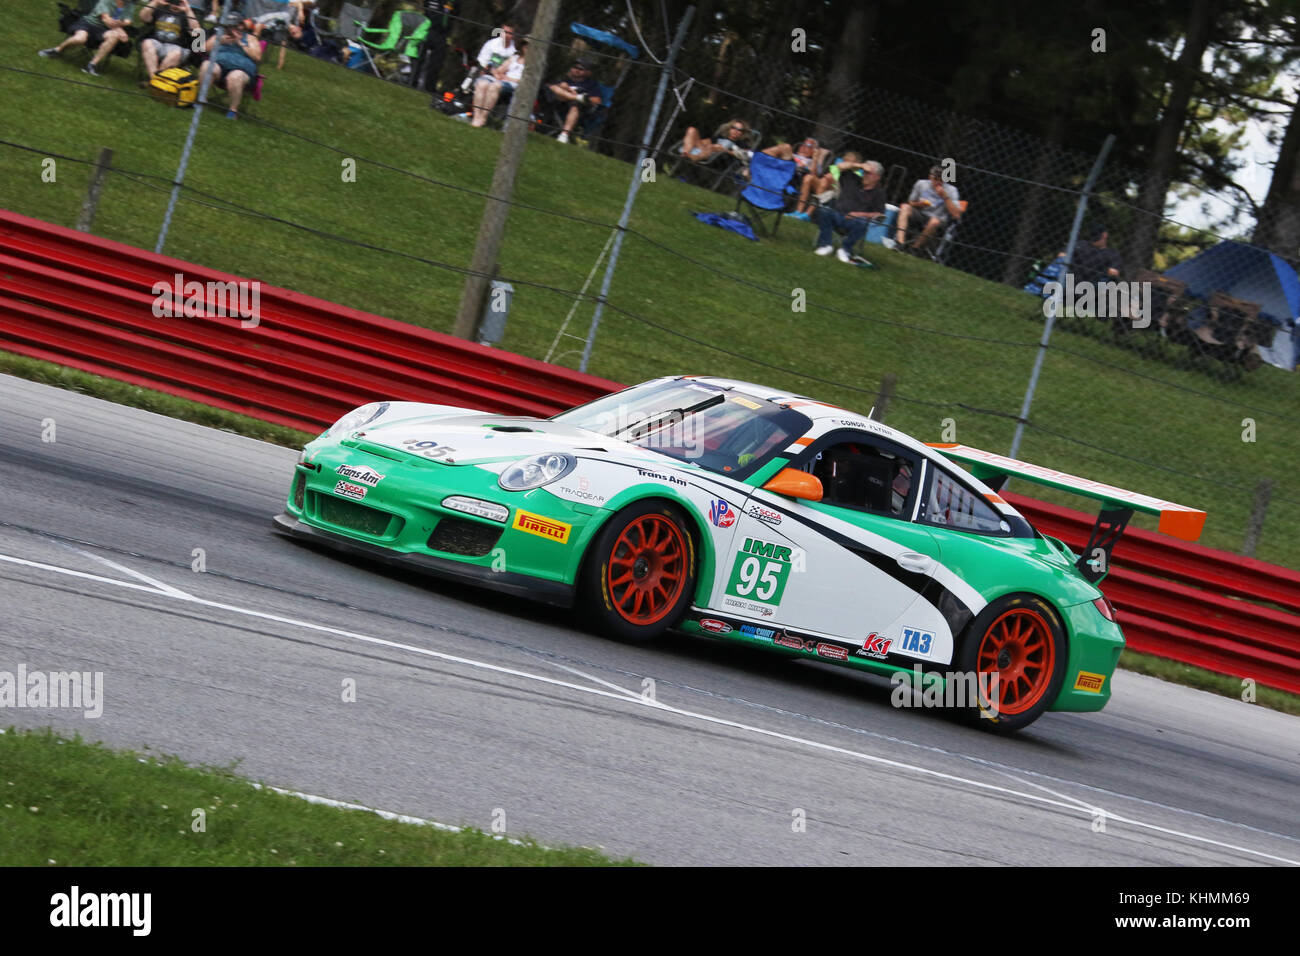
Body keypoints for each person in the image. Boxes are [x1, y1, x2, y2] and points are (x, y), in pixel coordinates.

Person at [813, 154, 885, 263]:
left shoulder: (879, 193)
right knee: (824, 210)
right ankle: (826, 245)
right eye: (864, 172)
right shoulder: (852, 179)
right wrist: (860, 165)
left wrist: (859, 214)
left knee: (862, 223)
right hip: (837, 214)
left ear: (877, 177)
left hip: (855, 221)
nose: (865, 175)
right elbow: (839, 166)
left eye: (869, 173)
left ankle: (845, 249)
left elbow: (880, 214)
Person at [39, 0, 137, 76]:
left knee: (114, 36)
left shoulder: (129, 5)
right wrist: (120, 29)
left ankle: (91, 65)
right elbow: (106, 19)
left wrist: (120, 28)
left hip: (103, 30)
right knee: (80, 39)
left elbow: (128, 21)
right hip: (88, 24)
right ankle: (57, 50)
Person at [200, 19, 262, 118]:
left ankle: (233, 111)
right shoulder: (220, 35)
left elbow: (257, 57)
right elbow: (203, 49)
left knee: (235, 77)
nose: (238, 28)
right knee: (207, 66)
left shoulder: (250, 38)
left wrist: (240, 43)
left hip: (242, 70)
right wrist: (219, 41)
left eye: (241, 26)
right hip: (219, 67)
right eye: (235, 26)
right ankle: (202, 100)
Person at [895, 165, 962, 252]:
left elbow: (956, 214)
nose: (938, 182)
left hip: (938, 220)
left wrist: (945, 196)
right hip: (920, 214)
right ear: (930, 177)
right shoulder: (921, 184)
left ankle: (914, 248)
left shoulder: (952, 190)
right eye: (936, 179)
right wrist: (919, 204)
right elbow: (910, 202)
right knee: (904, 207)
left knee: (934, 221)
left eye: (941, 180)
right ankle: (900, 243)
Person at [763, 137, 832, 219]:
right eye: (802, 144)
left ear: (814, 151)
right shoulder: (791, 155)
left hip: (796, 178)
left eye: (808, 146)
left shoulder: (813, 163)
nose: (803, 147)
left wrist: (815, 158)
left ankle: (798, 212)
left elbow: (813, 175)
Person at [543, 59, 602, 144]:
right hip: (557, 103)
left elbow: (597, 100)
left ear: (588, 72)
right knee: (556, 87)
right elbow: (549, 87)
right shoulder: (563, 78)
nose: (577, 70)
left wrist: (585, 100)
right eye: (575, 67)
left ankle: (564, 135)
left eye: (581, 69)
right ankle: (577, 97)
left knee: (575, 105)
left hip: (576, 109)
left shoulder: (591, 84)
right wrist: (567, 89)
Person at [468, 41, 526, 127]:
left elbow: (525, 80)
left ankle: (483, 117)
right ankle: (476, 117)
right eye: (525, 45)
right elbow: (500, 70)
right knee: (482, 84)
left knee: (494, 86)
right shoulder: (514, 58)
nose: (527, 48)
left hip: (513, 84)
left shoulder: (532, 64)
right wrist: (497, 74)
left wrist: (508, 78)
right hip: (502, 80)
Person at [139, 0, 199, 78]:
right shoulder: (160, 8)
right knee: (147, 43)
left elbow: (197, 33)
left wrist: (187, 9)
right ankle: (155, 80)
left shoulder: (187, 14)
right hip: (157, 42)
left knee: (176, 54)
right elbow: (143, 17)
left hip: (177, 48)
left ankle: (155, 81)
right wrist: (155, 2)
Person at [416, 0, 459, 93]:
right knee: (419, 57)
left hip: (443, 34)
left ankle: (429, 87)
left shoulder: (454, 2)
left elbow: (455, 17)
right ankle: (413, 82)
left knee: (437, 62)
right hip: (427, 30)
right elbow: (426, 9)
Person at [680, 118, 752, 164]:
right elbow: (702, 143)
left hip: (718, 160)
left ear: (743, 132)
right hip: (705, 151)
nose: (735, 131)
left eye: (739, 130)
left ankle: (693, 158)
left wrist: (724, 150)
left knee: (714, 146)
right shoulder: (720, 137)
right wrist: (694, 139)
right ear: (730, 128)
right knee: (692, 130)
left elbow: (746, 155)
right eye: (734, 128)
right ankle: (685, 154)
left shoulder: (742, 144)